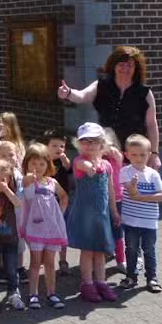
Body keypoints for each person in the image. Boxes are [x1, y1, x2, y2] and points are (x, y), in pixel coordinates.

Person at [57, 46, 161, 168]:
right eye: (121, 64)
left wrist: (154, 154)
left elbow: (151, 125)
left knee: (133, 185)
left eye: (130, 65)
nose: (125, 69)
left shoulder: (144, 93)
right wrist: (68, 92)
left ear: (136, 69)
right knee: (110, 184)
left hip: (135, 152)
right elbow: (82, 96)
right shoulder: (102, 85)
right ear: (114, 65)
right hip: (107, 150)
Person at [66, 122, 122, 303]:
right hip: (85, 216)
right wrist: (90, 167)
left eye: (94, 142)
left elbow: (111, 191)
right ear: (78, 144)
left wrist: (114, 211)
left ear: (102, 144)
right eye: (85, 142)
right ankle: (87, 284)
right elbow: (83, 166)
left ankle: (101, 282)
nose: (89, 146)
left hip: (102, 215)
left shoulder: (107, 165)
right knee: (88, 250)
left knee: (101, 252)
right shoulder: (79, 161)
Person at [20, 143, 68, 310]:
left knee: (50, 263)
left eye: (42, 163)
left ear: (48, 164)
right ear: (26, 164)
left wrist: (59, 215)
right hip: (35, 229)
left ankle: (51, 293)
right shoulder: (27, 182)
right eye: (33, 163)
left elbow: (63, 197)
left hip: (52, 230)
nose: (38, 167)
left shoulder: (52, 182)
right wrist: (27, 182)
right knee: (35, 262)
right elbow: (28, 197)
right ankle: (33, 294)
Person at [119, 134, 162, 293]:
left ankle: (152, 278)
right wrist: (133, 188)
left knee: (149, 250)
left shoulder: (153, 174)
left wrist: (140, 196)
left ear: (149, 155)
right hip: (130, 221)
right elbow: (130, 191)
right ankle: (131, 277)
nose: (138, 158)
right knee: (131, 249)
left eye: (142, 155)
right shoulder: (125, 171)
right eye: (134, 155)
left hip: (149, 222)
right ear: (126, 155)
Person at [0, 159, 25, 311]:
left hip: (10, 239)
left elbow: (18, 203)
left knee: (11, 268)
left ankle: (13, 293)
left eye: (3, 179)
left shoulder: (9, 194)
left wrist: (7, 189)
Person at [40, 128, 73, 275]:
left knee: (61, 231)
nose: (58, 149)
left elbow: (71, 177)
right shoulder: (43, 162)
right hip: (45, 203)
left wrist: (67, 165)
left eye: (61, 146)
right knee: (43, 231)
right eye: (54, 146)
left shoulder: (64, 162)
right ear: (46, 147)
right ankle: (41, 259)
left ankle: (63, 260)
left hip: (61, 202)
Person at [103, 128, 127, 274]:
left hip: (118, 199)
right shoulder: (98, 161)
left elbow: (120, 159)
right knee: (105, 229)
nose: (107, 149)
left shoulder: (116, 159)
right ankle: (108, 250)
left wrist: (113, 150)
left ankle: (120, 259)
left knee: (118, 229)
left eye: (109, 144)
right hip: (102, 200)